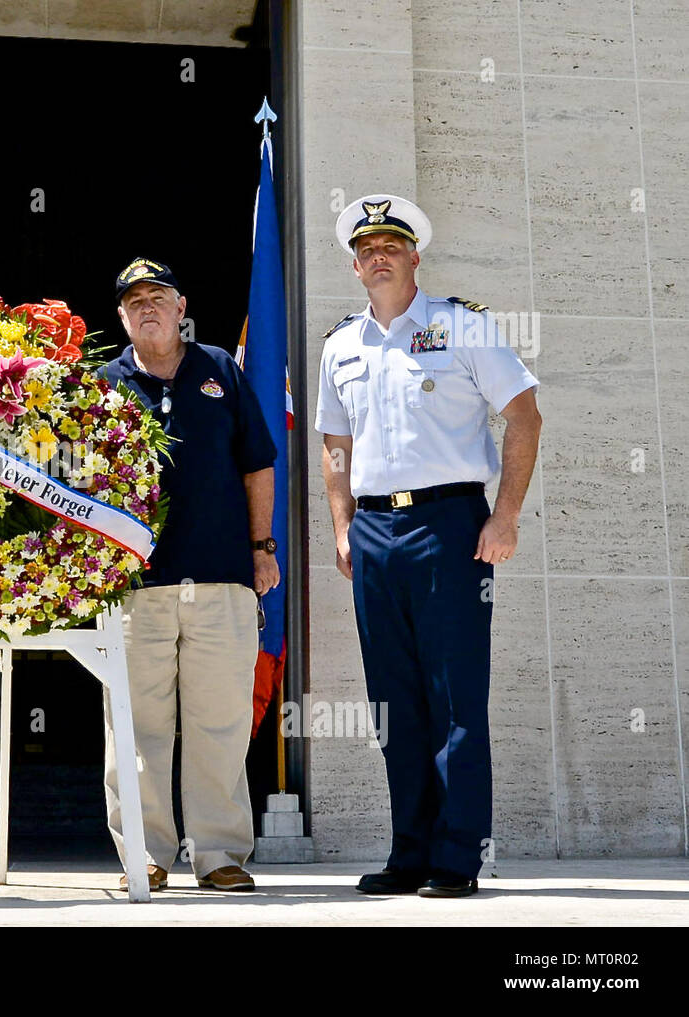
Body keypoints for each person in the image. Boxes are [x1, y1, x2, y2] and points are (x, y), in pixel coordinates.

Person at [315, 195, 541, 898]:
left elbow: (525, 417)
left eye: (390, 245)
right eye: (366, 249)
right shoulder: (341, 345)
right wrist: (342, 525)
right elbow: (334, 444)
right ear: (354, 267)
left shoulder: (460, 326)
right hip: (376, 533)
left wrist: (503, 517)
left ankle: (456, 856)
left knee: (455, 697)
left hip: (449, 526)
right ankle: (409, 849)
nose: (377, 256)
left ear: (416, 256)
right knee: (395, 700)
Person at [99, 257, 279, 892]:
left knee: (221, 722)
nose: (147, 306)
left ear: (181, 307)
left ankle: (220, 855)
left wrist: (263, 546)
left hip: (222, 579)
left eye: (159, 296)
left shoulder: (221, 371)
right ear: (121, 316)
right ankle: (146, 857)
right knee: (137, 728)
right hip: (134, 586)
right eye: (134, 300)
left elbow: (258, 463)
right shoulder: (101, 384)